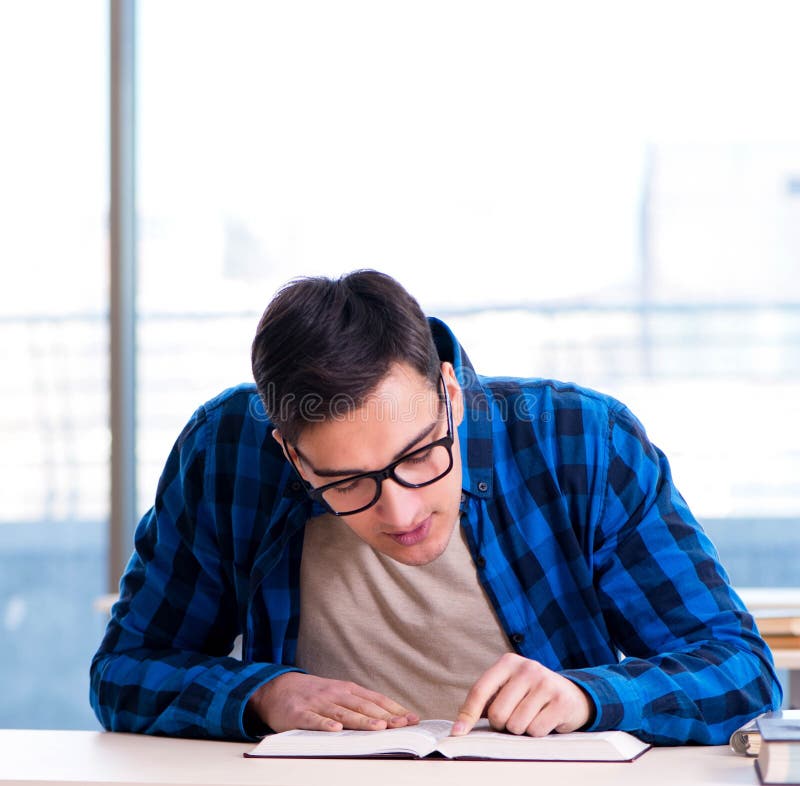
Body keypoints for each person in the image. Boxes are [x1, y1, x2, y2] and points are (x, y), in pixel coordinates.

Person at [90, 270, 782, 744]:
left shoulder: (584, 442)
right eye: (348, 483)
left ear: (450, 395)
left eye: (420, 456)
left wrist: (590, 697)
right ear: (293, 457)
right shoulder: (226, 451)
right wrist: (261, 695)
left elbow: (742, 673)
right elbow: (125, 671)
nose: (400, 511)